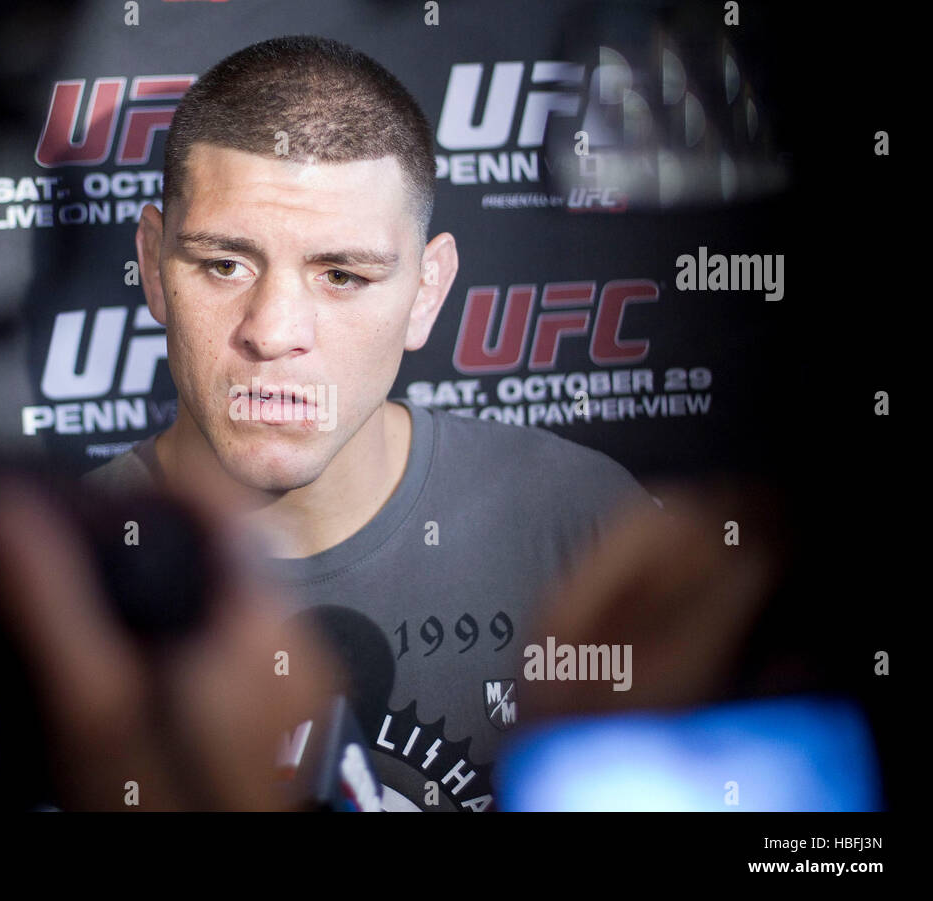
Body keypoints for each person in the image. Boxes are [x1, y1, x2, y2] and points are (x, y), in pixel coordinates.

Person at [84, 35, 651, 812]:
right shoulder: (59, 571)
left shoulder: (581, 524)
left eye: (343, 275)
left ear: (425, 290)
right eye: (224, 264)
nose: (273, 330)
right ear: (152, 265)